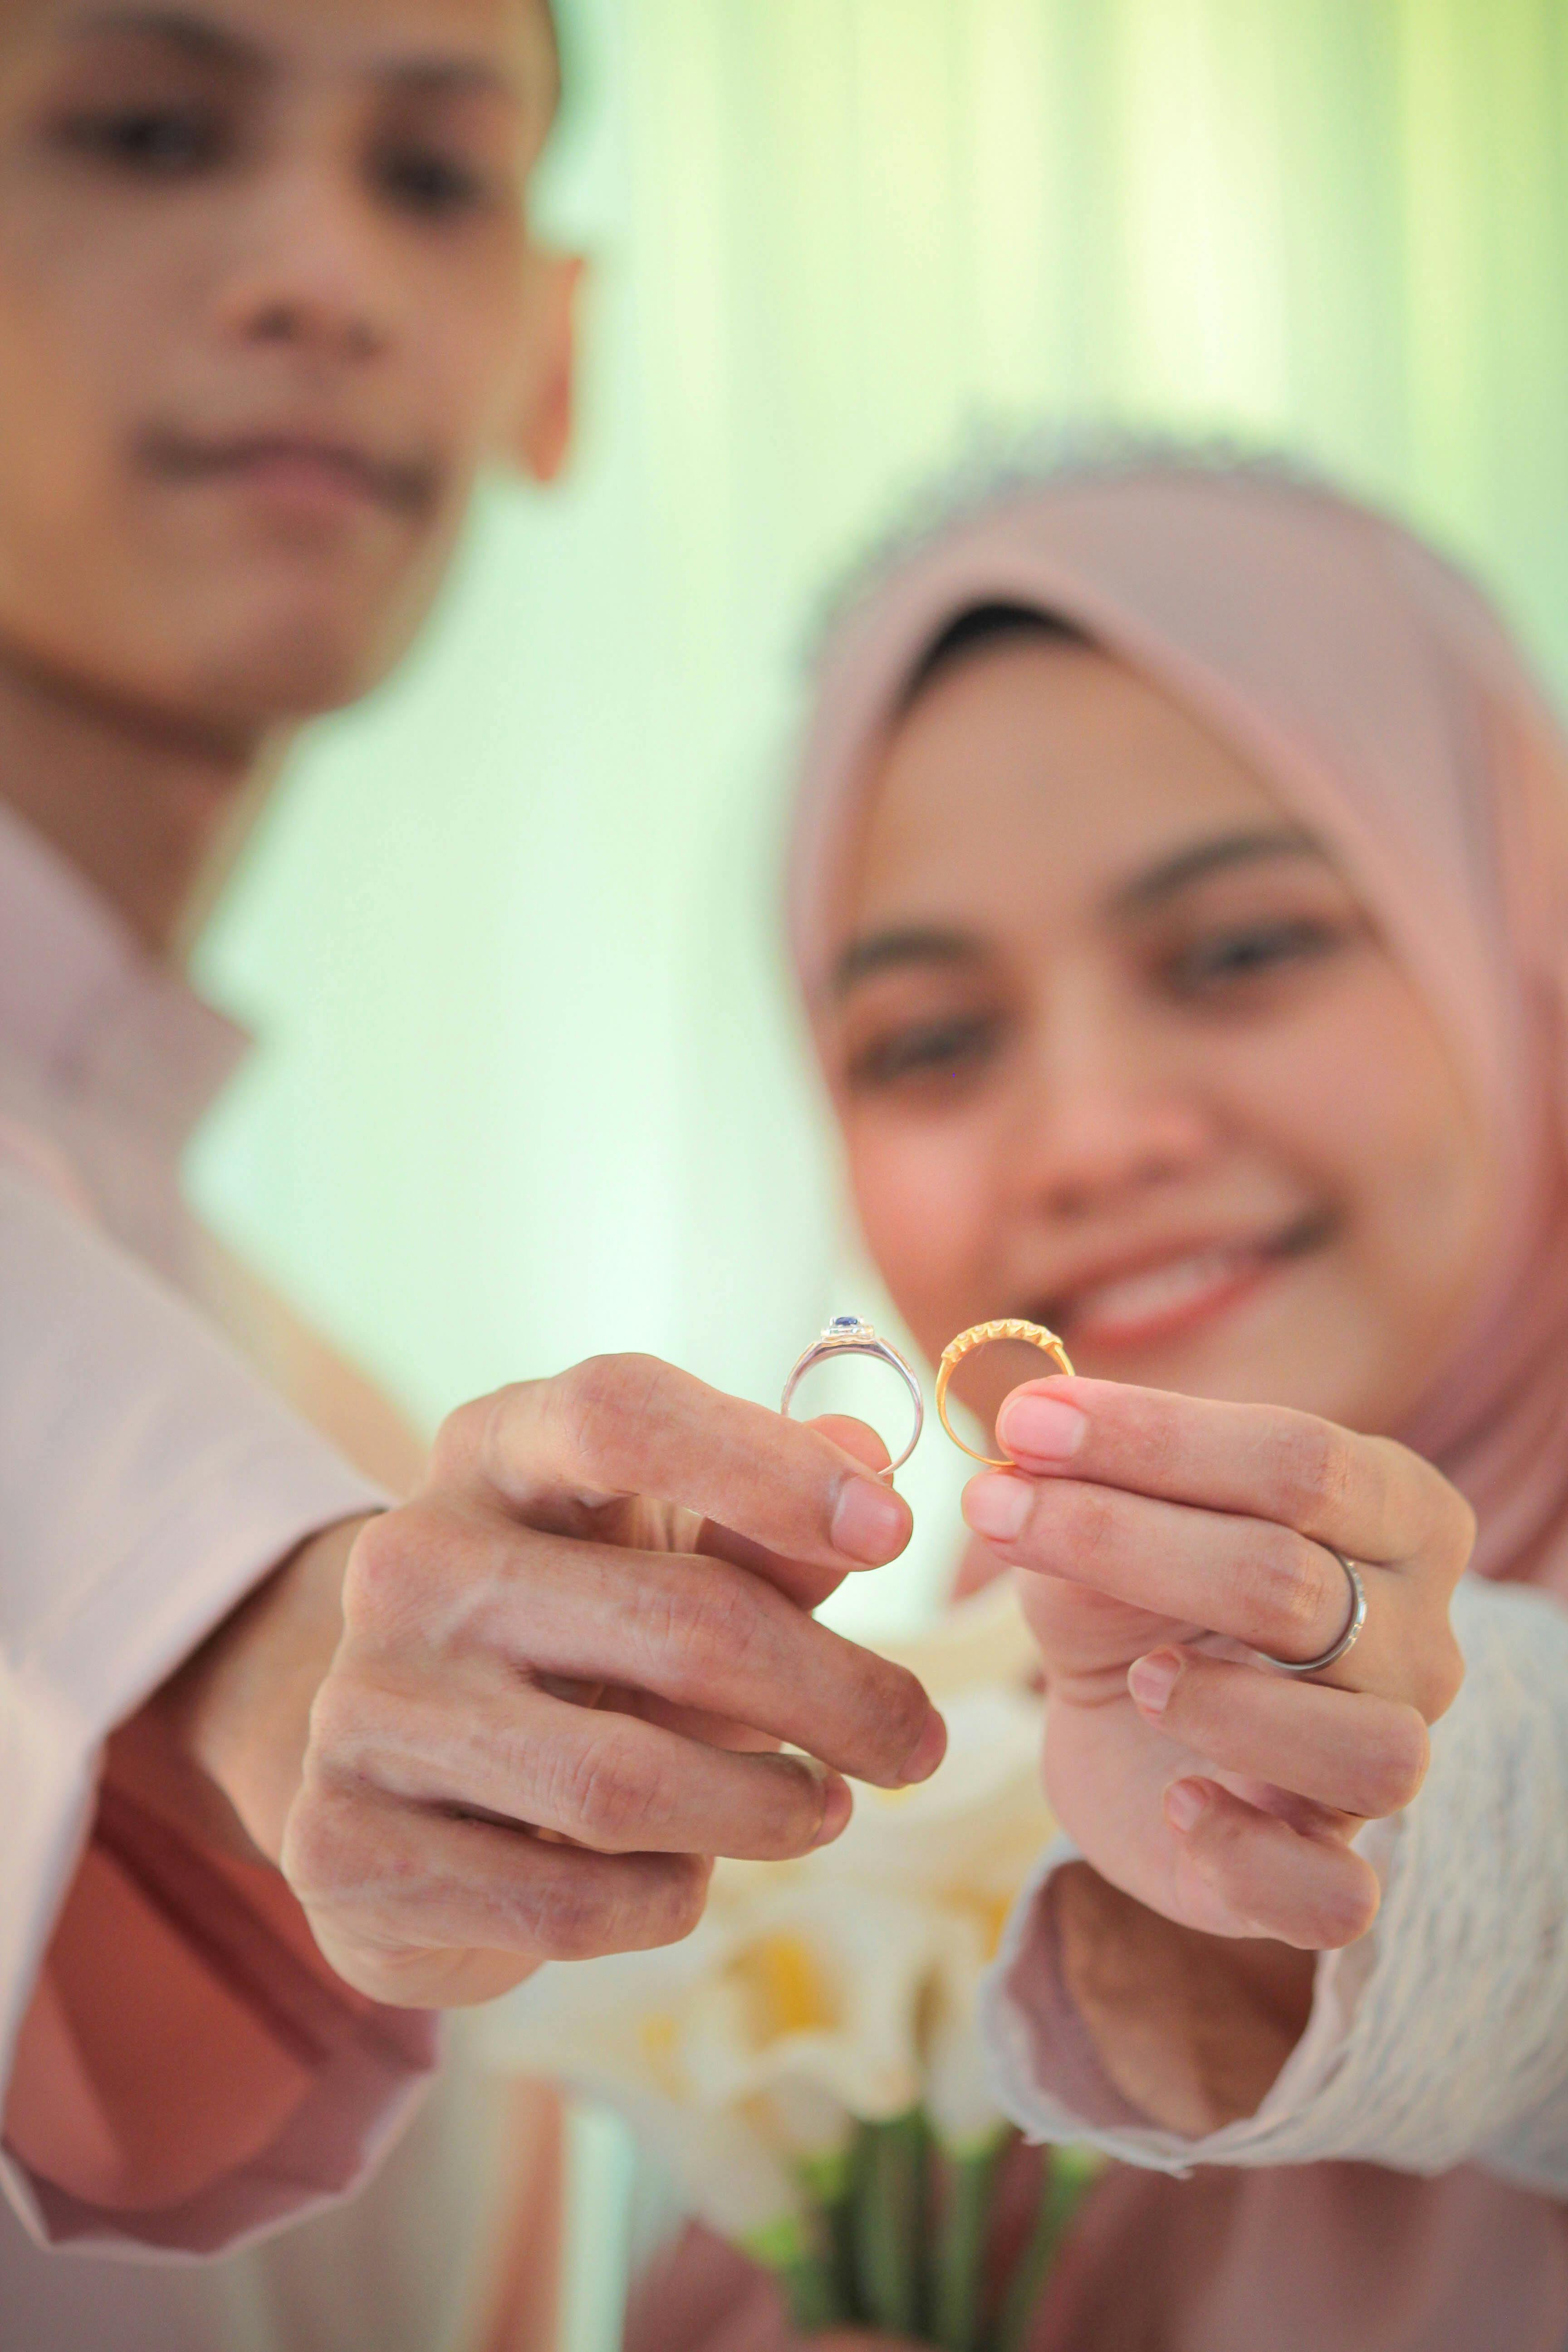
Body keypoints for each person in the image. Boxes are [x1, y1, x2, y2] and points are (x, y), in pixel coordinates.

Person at [0, 5, 946, 2348]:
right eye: (146, 128)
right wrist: (251, 1631)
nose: (320, 272)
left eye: (432, 176)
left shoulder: (344, 1434)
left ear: (553, 353)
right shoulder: (307, 1537)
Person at [633, 450, 1568, 2350]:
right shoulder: (852, 1811)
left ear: (1518, 945)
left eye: (1240, 949)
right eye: (932, 1043)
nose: (1085, 1140)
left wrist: (1338, 1843)